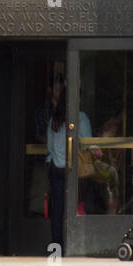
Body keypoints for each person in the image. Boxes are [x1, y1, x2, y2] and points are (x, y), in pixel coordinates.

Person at [45, 83, 92, 253]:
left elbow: (49, 147)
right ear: (76, 98)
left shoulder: (54, 119)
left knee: (57, 209)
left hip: (56, 168)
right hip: (75, 170)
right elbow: (87, 144)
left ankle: (56, 247)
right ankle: (78, 245)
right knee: (77, 206)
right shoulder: (80, 117)